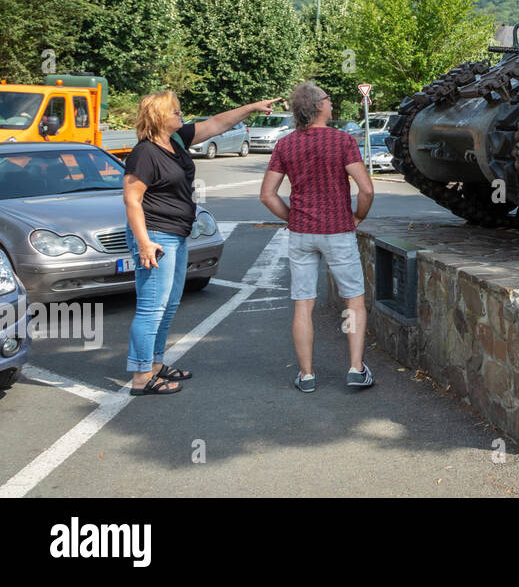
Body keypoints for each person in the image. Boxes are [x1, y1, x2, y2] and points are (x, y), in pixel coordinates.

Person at [123, 90, 282, 396]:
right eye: (175, 112)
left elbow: (215, 125)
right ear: (158, 116)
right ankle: (142, 376)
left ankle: (155, 365)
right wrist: (144, 243)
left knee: (168, 306)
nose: (180, 115)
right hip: (156, 235)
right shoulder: (144, 153)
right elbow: (132, 199)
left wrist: (251, 106)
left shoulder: (176, 140)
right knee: (152, 308)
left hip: (176, 234)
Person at [259, 82, 375, 392]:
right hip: (338, 230)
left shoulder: (286, 145)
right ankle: (355, 368)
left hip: (301, 234)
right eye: (327, 97)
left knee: (303, 304)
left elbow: (267, 195)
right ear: (317, 106)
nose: (331, 101)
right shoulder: (342, 141)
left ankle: (307, 375)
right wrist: (359, 216)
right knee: (353, 301)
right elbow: (365, 188)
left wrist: (293, 217)